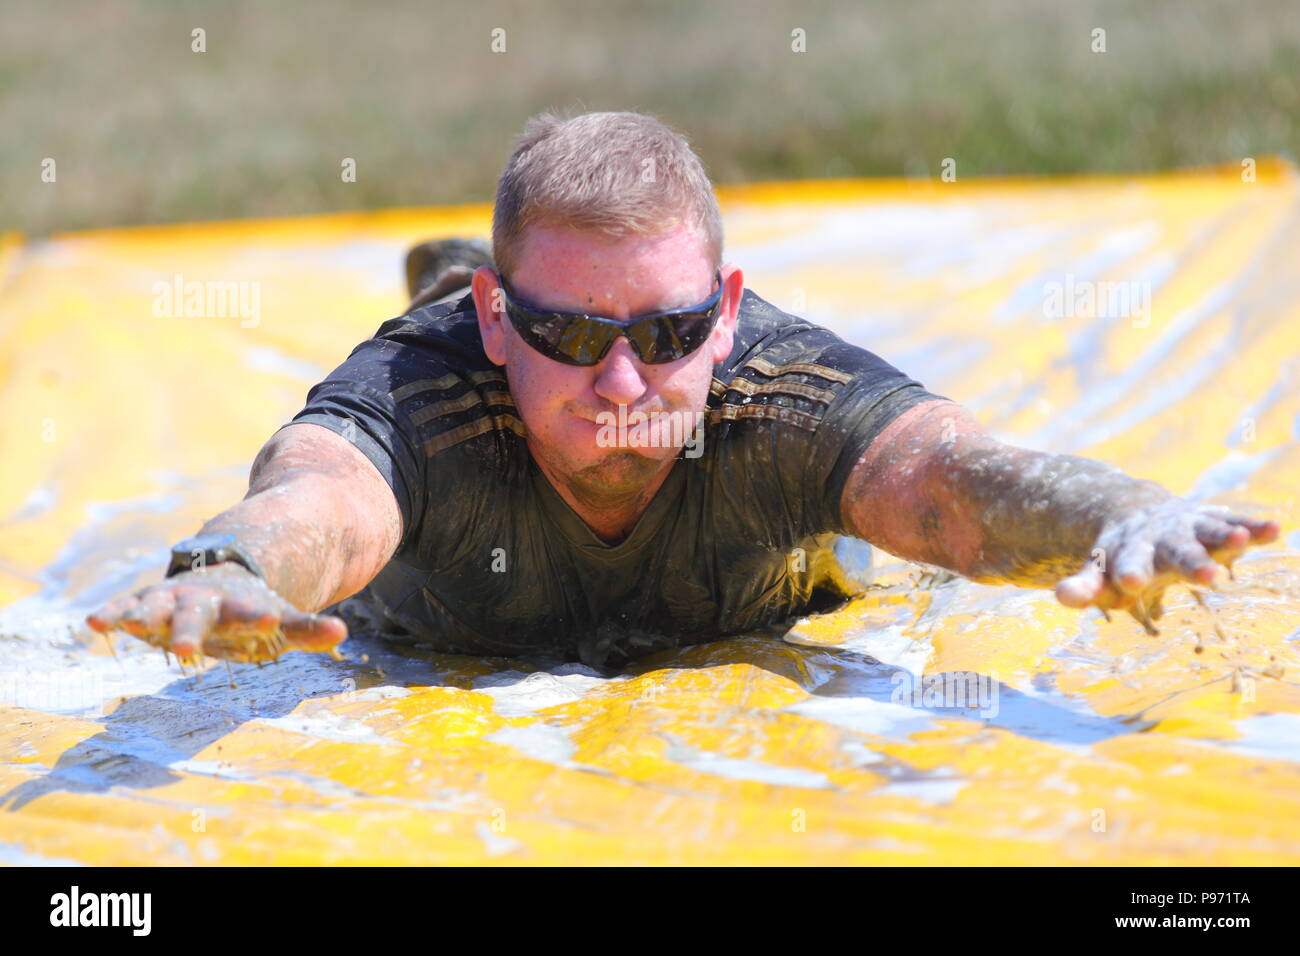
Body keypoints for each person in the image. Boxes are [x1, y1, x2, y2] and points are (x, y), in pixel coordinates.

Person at [87, 111, 1280, 671]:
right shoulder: (420, 392)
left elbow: (953, 487)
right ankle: (456, 276)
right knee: (432, 343)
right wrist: (224, 570)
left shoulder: (781, 388)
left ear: (725, 311)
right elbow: (318, 502)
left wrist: (1123, 510)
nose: (621, 382)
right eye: (565, 328)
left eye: (667, 330)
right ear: (501, 325)